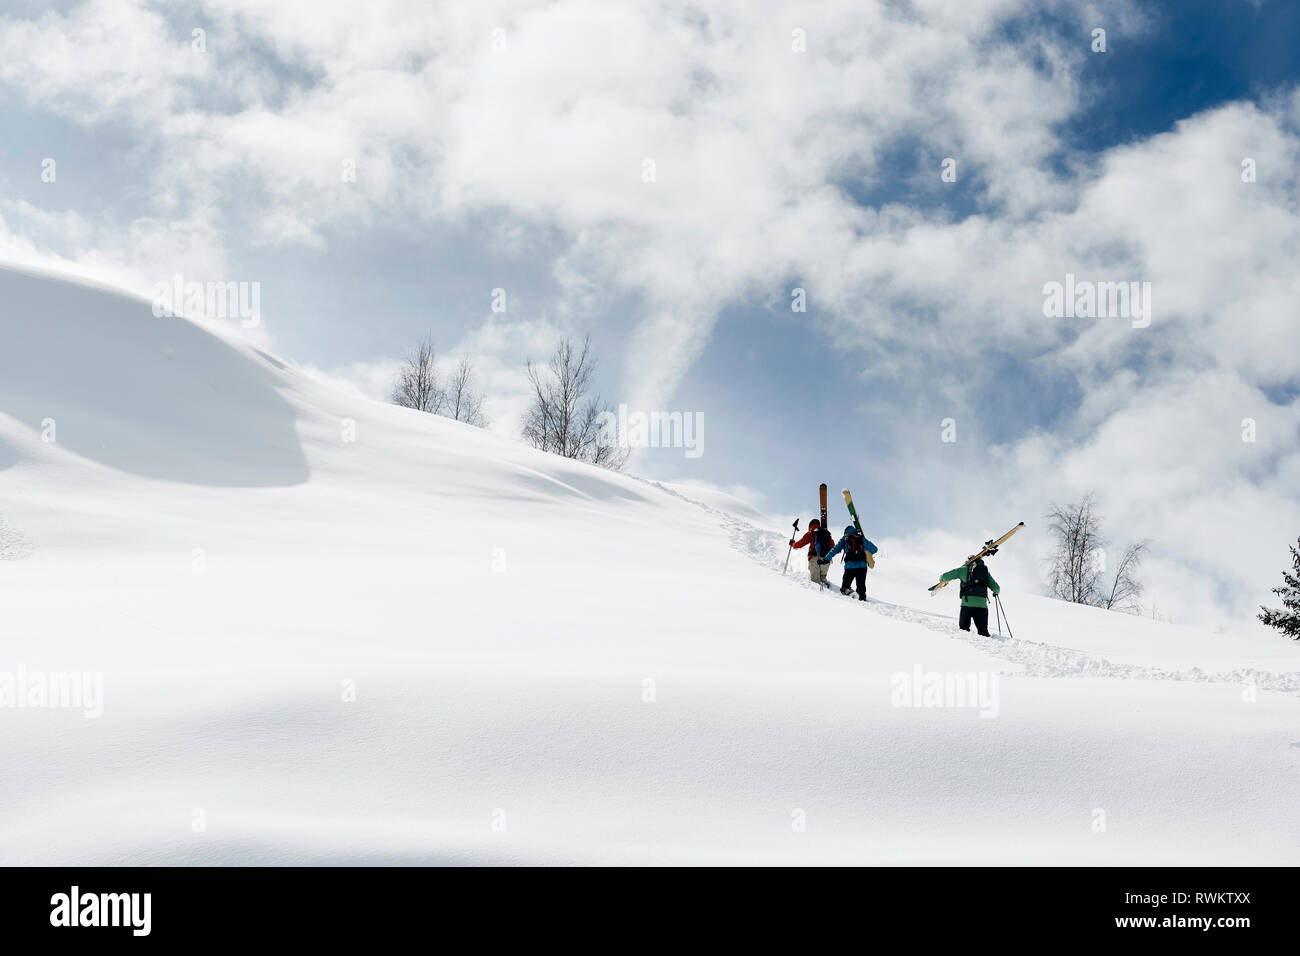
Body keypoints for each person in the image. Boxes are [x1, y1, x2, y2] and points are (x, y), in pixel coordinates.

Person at [938, 557, 1000, 635]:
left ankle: (966, 647)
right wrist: (995, 593)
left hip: (967, 605)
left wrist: (941, 580)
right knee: (983, 632)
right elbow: (996, 588)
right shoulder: (985, 572)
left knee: (963, 631)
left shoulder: (963, 569)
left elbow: (945, 576)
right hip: (982, 606)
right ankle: (990, 646)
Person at [824, 524, 877, 601]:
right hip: (862, 567)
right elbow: (875, 549)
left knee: (844, 588)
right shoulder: (861, 538)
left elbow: (835, 549)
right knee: (861, 589)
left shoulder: (845, 538)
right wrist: (867, 551)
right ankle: (862, 600)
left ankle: (850, 593)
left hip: (850, 566)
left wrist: (826, 559)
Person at [789, 518, 836, 586]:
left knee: (815, 585)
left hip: (815, 560)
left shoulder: (812, 532)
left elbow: (800, 543)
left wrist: (792, 544)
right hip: (826, 561)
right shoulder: (827, 533)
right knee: (823, 581)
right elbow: (833, 546)